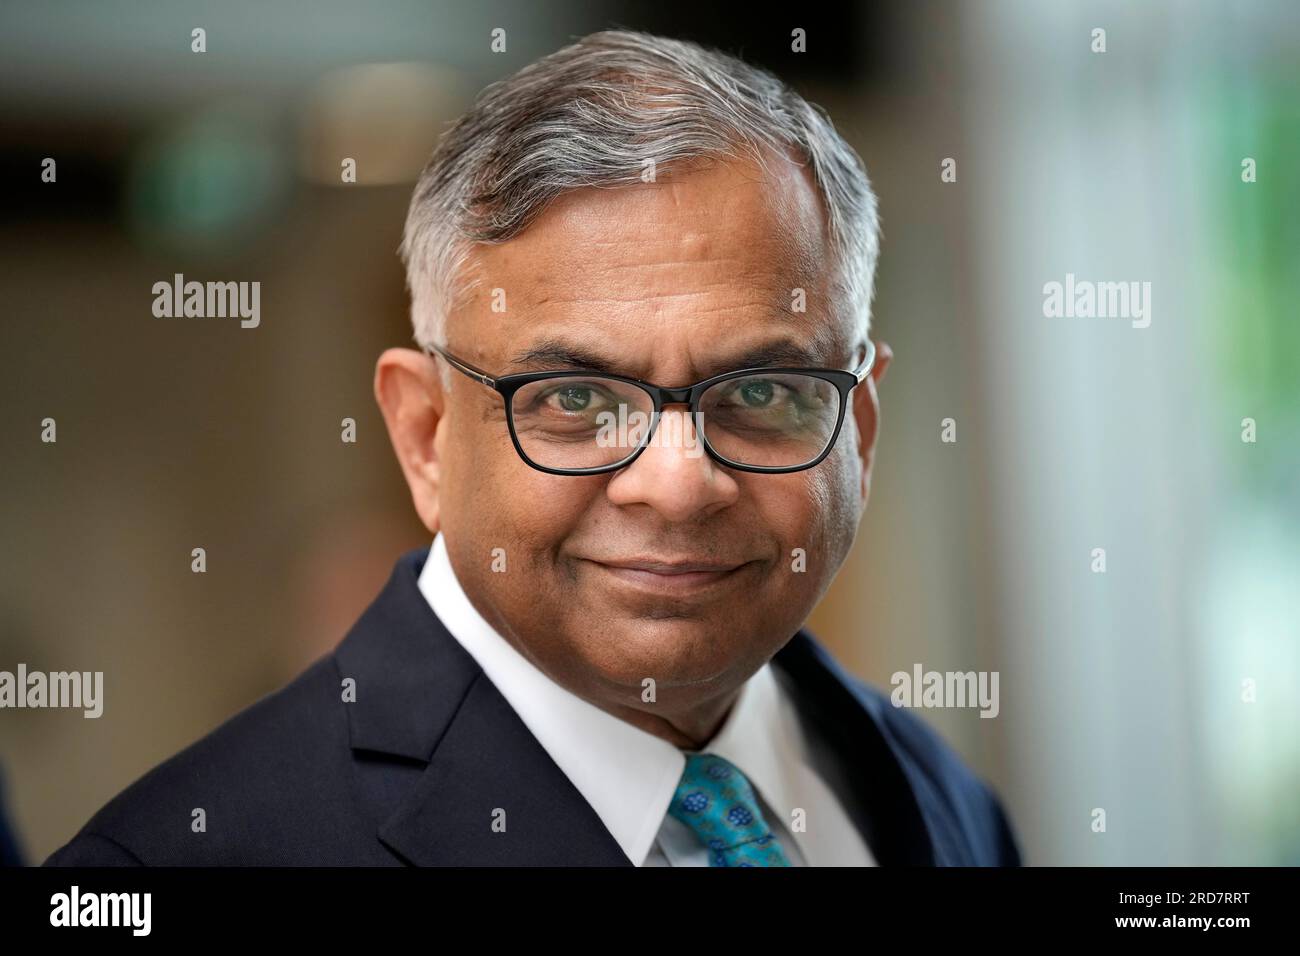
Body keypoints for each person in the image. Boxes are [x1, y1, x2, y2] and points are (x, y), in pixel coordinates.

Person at [45, 29, 1019, 867]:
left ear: (860, 427)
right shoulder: (182, 857)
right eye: (575, 398)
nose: (677, 484)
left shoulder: (943, 804)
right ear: (424, 436)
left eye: (761, 391)